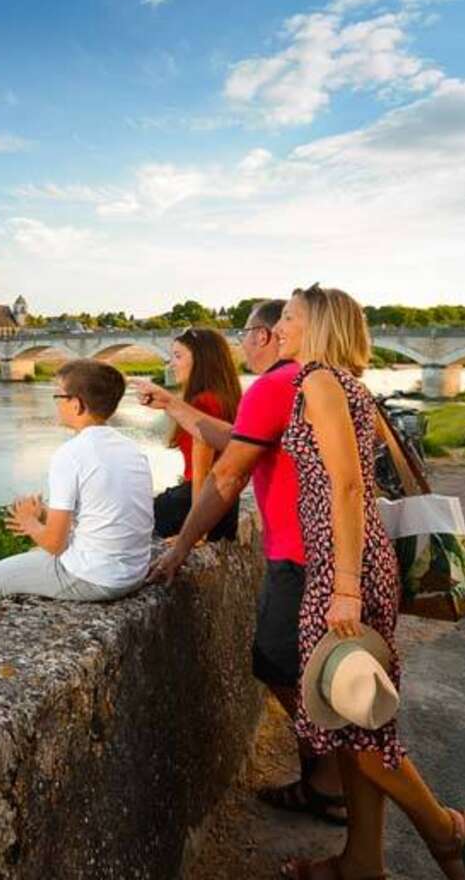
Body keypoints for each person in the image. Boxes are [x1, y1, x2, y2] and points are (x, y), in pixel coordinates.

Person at [272, 286, 465, 879]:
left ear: (320, 325)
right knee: (356, 716)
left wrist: (345, 586)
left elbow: (348, 487)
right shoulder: (344, 381)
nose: (278, 325)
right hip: (349, 562)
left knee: (358, 720)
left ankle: (443, 830)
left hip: (346, 567)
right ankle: (362, 862)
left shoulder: (320, 380)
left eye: (289, 316)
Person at [135, 300, 347, 824]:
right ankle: (322, 781)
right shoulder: (315, 381)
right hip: (313, 551)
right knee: (304, 670)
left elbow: (227, 476)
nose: (246, 341)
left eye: (252, 331)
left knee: (280, 664)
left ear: (273, 336)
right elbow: (239, 440)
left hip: (300, 554)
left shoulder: (279, 384)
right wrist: (170, 403)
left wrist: (182, 546)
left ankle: (350, 778)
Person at [0, 359, 153, 623]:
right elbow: (104, 513)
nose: (56, 403)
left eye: (58, 395)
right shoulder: (132, 449)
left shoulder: (71, 454)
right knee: (30, 558)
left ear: (76, 404)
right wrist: (47, 515)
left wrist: (28, 522)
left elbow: (53, 544)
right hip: (134, 573)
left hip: (95, 578)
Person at [154, 327, 242, 542]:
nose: (171, 363)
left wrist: (195, 533)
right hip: (226, 507)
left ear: (201, 360)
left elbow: (203, 474)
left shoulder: (202, 404)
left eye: (178, 356)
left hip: (199, 508)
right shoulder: (228, 397)